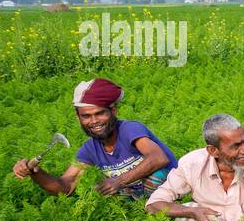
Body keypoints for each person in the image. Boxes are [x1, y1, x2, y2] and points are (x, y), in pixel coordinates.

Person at [11, 77, 177, 199]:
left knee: (155, 176)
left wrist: (118, 181)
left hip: (174, 189)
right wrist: (35, 172)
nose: (94, 121)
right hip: (141, 201)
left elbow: (158, 157)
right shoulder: (89, 149)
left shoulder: (129, 129)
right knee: (101, 189)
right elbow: (66, 186)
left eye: (100, 113)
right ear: (79, 118)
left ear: (113, 112)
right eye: (86, 116)